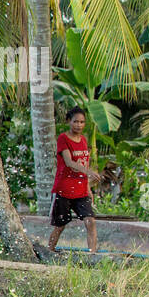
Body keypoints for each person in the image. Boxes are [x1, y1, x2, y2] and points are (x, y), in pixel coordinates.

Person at [48, 108, 101, 254]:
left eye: (82, 122)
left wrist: (88, 188)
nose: (79, 125)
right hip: (63, 189)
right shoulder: (63, 139)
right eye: (76, 121)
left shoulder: (83, 140)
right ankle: (49, 250)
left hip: (80, 190)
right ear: (69, 122)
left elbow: (84, 162)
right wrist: (89, 172)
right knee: (60, 225)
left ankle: (92, 253)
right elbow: (69, 162)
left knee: (90, 221)